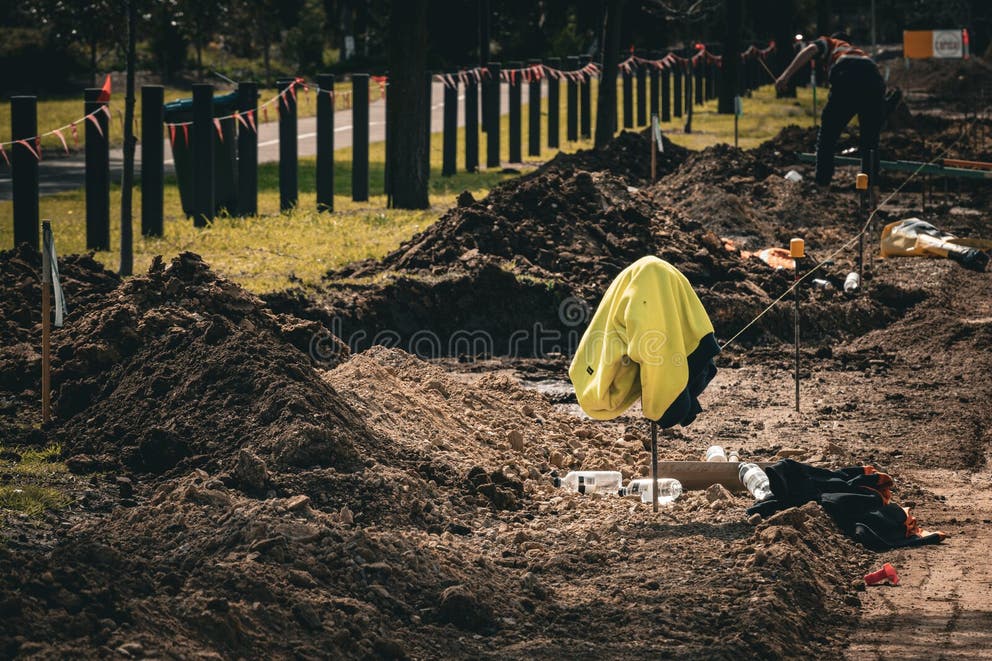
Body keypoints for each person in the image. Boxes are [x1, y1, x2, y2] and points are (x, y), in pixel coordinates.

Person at [775, 33, 885, 186]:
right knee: (870, 140)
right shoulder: (858, 52)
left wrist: (785, 76)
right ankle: (871, 188)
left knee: (828, 136)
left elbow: (809, 50)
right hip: (874, 78)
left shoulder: (830, 43)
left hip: (848, 73)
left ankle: (822, 184)